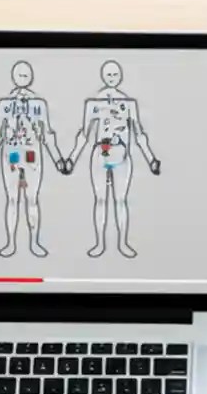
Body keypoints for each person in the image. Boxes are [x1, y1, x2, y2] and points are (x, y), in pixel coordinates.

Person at [63, 60, 160, 258]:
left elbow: (139, 133)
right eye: (108, 74)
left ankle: (122, 243)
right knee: (100, 200)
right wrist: (72, 159)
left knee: (121, 200)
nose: (112, 78)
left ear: (120, 76)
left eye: (115, 74)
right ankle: (100, 243)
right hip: (100, 153)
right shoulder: (94, 103)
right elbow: (84, 134)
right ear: (102, 76)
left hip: (122, 154)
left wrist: (151, 158)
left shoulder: (128, 104)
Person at [0, 61, 65, 257]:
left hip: (33, 155)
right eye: (19, 75)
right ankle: (11, 243)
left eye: (26, 75)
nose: (23, 79)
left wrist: (58, 159)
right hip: (11, 155)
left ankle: (34, 243)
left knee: (32, 199)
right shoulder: (5, 105)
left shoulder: (39, 104)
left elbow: (48, 134)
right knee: (12, 199)